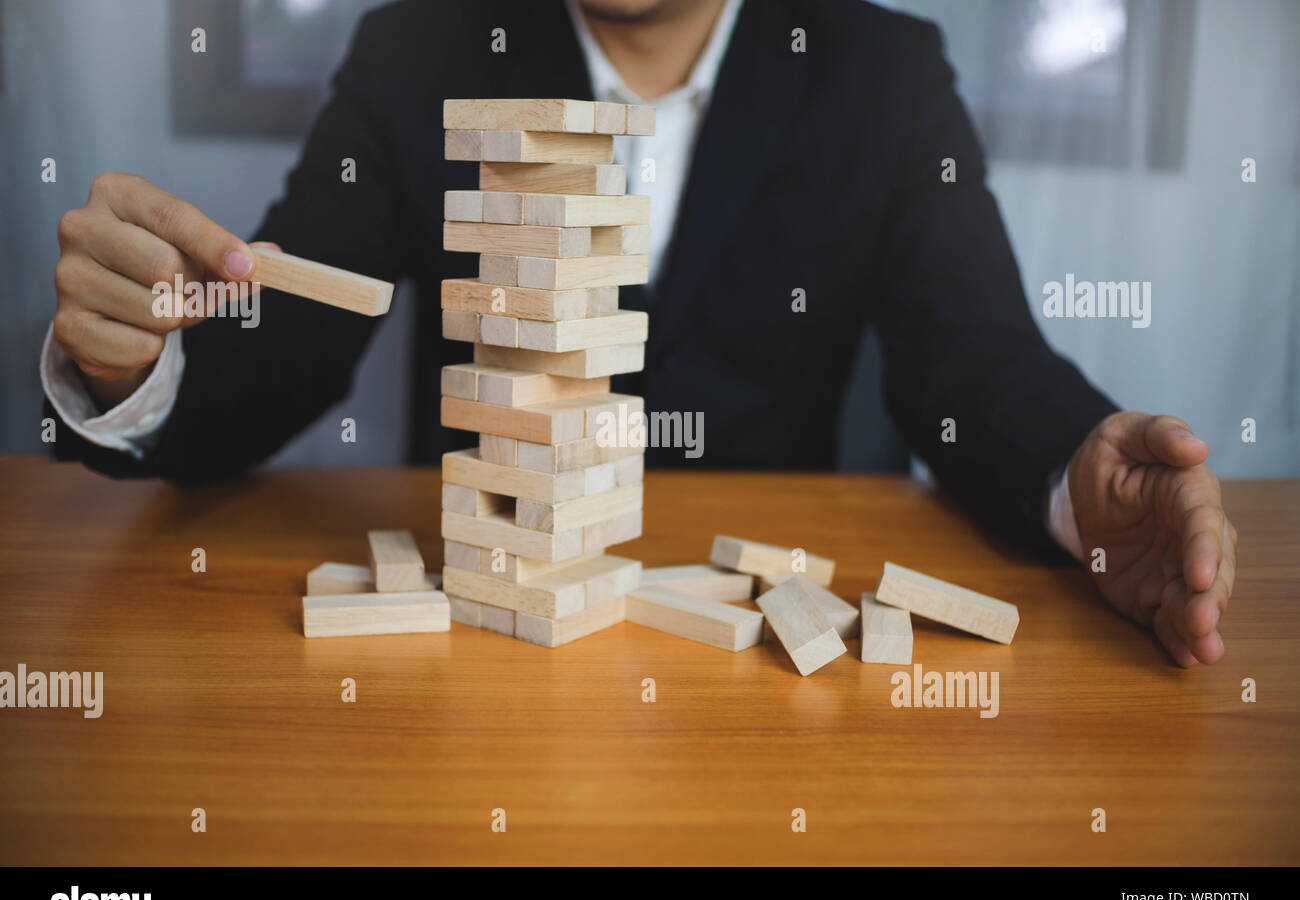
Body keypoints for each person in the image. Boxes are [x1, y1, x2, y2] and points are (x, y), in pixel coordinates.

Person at [40, 0, 1236, 666]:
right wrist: (139, 361)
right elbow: (284, 336)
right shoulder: (425, 44)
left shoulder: (883, 70)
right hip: (496, 652)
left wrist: (1080, 486)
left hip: (762, 669)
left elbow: (973, 359)